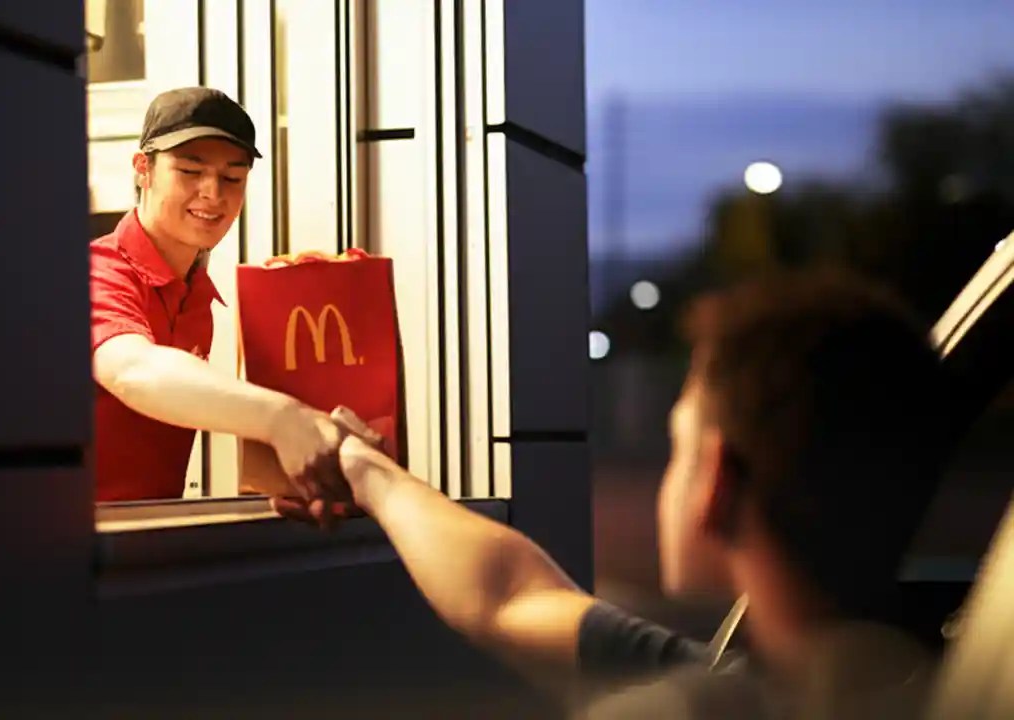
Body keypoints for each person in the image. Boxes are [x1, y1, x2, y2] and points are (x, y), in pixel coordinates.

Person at [278, 270, 949, 717]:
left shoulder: (696, 707)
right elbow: (511, 594)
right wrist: (369, 472)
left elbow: (507, 600)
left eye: (679, 445)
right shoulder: (951, 686)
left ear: (717, 481)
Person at [91, 87, 351, 511]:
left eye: (232, 178)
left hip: (150, 532)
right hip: (68, 536)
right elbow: (132, 370)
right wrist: (282, 418)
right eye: (190, 171)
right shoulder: (98, 272)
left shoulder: (197, 294)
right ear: (143, 169)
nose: (213, 193)